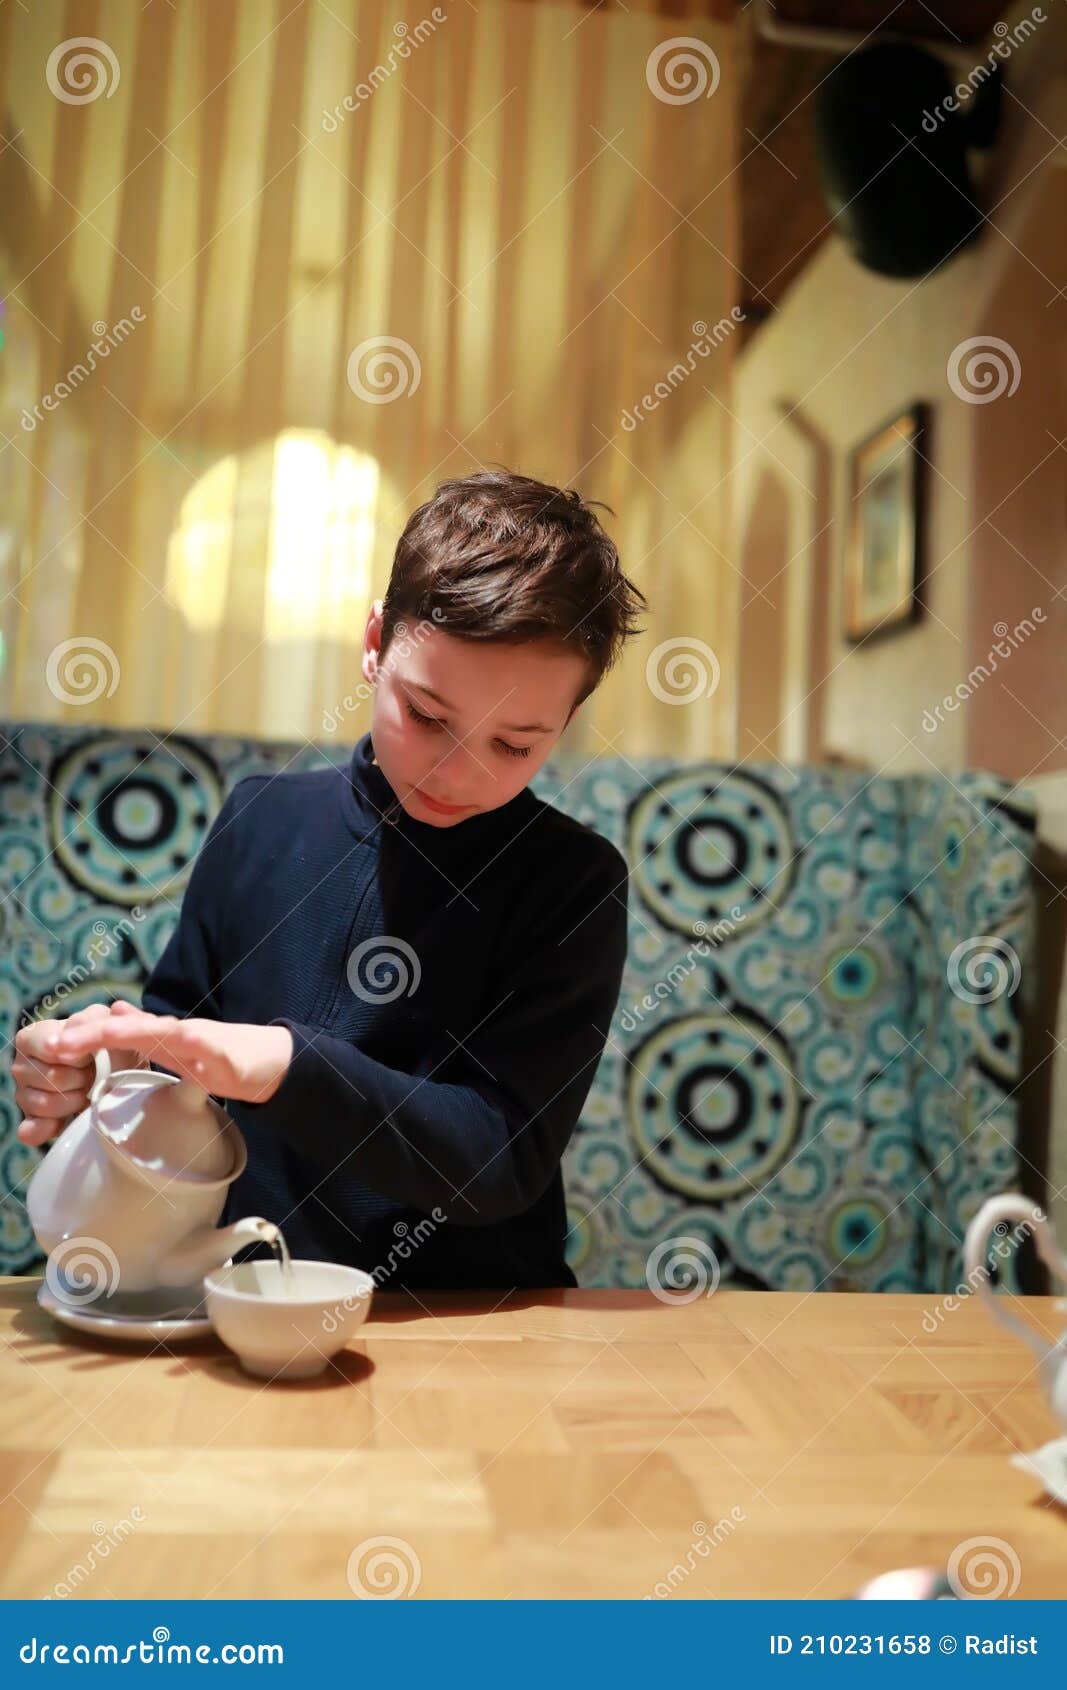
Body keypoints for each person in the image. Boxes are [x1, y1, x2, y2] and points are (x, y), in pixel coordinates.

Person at [14, 468, 647, 1290]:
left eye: (514, 744)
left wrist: (286, 1066)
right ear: (375, 642)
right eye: (426, 716)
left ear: (568, 720)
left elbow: (499, 1157)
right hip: (244, 1297)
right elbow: (177, 1052)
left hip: (472, 1318)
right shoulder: (260, 820)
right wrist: (102, 1074)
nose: (456, 773)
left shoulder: (571, 882)